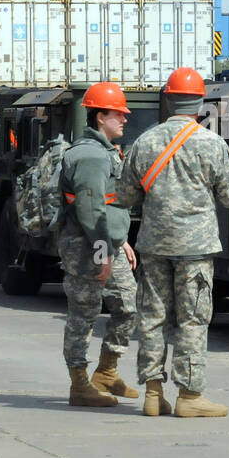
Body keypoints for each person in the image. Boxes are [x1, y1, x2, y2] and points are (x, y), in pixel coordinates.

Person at [117, 67, 229, 418]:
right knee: (192, 319)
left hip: (154, 244)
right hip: (195, 247)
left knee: (153, 317)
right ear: (200, 103)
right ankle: (189, 395)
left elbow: (124, 195)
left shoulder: (145, 142)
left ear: (168, 100)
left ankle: (153, 394)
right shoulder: (213, 144)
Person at [57, 82, 140, 407]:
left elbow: (108, 206)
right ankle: (79, 383)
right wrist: (105, 250)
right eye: (118, 114)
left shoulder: (104, 151)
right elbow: (90, 210)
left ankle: (106, 372)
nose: (124, 120)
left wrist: (120, 241)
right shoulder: (91, 156)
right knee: (83, 314)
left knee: (128, 306)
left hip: (106, 243)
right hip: (88, 247)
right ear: (100, 116)